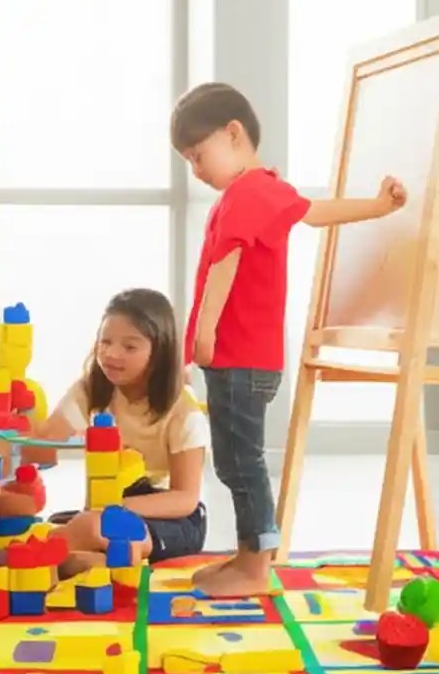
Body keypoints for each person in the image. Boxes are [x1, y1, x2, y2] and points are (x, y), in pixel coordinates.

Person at [169, 82, 407, 598]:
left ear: (233, 134)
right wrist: (375, 206)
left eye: (198, 155)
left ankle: (256, 566)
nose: (196, 170)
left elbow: (224, 265)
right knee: (235, 460)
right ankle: (251, 553)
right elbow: (316, 213)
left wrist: (204, 334)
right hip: (246, 359)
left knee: (240, 461)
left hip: (239, 357)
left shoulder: (249, 194)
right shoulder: (264, 192)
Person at [30, 289, 211, 574]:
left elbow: (185, 498)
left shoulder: (183, 413)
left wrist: (115, 505)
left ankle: (38, 557)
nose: (112, 354)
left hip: (171, 519)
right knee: (56, 523)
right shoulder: (93, 390)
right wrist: (22, 414)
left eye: (129, 347)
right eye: (106, 342)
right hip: (107, 509)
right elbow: (42, 447)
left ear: (159, 352)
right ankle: (92, 562)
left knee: (94, 526)